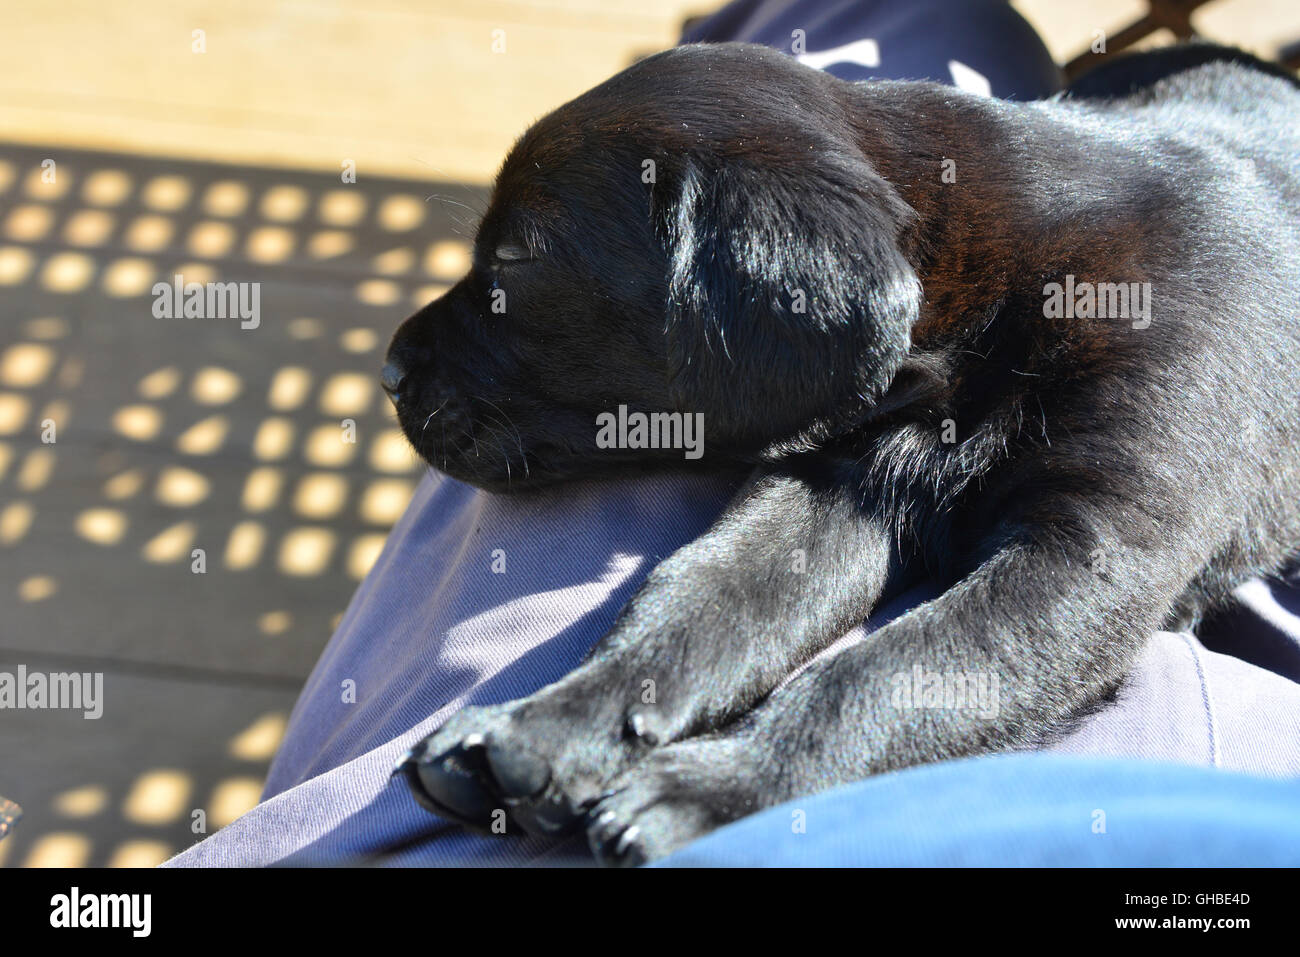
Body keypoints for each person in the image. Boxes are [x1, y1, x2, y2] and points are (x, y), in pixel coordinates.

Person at [165, 0, 1300, 868]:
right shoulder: (883, 327)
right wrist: (603, 706)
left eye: (522, 274)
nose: (415, 350)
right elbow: (836, 508)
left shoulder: (1169, 334)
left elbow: (1070, 597)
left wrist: (766, 777)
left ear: (771, 328)